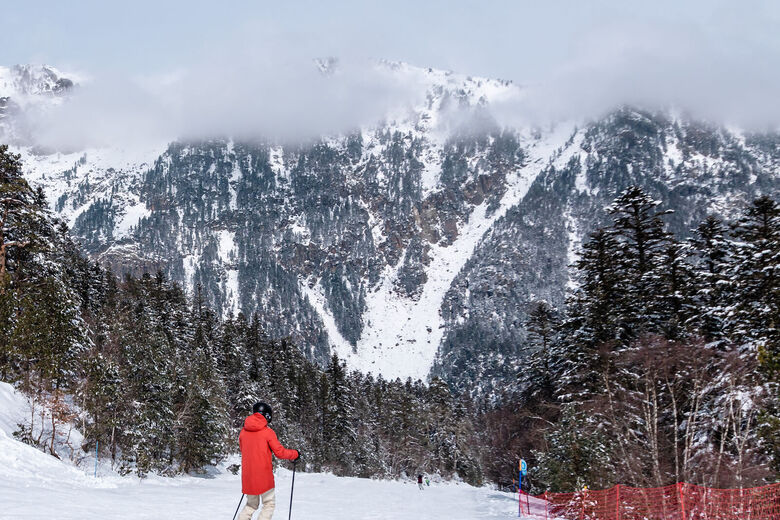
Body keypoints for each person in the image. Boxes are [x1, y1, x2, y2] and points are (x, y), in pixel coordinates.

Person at [238, 402, 299, 520]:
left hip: (248, 476)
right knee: (269, 503)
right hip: (263, 476)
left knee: (251, 505)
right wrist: (295, 454)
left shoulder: (243, 432)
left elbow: (244, 450)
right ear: (267, 416)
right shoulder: (268, 432)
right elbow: (280, 453)